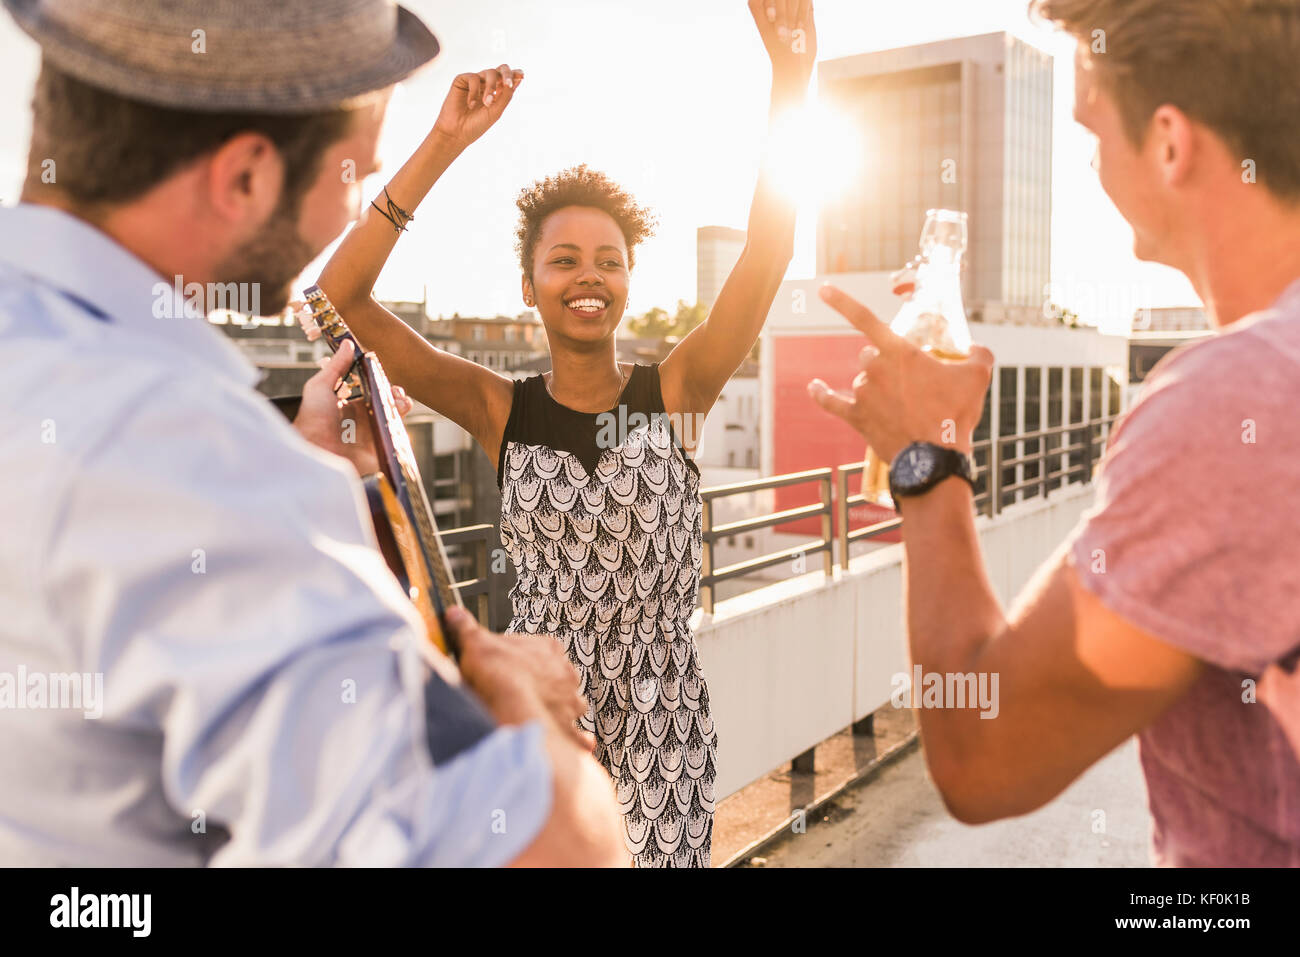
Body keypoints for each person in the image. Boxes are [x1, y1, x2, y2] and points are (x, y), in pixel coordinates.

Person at [0, 0, 625, 867]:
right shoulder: (180, 453)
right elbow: (554, 852)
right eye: (354, 178)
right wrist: (521, 701)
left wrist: (296, 475)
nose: (351, 209)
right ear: (248, 177)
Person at [312, 0, 818, 866]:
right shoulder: (496, 407)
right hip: (548, 725)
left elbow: (767, 251)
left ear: (629, 280)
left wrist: (794, 79)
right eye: (565, 260)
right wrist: (445, 142)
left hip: (666, 736)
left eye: (610, 261)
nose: (590, 278)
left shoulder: (681, 387)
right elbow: (339, 300)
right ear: (528, 284)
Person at [809, 0, 1300, 866]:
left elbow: (983, 755)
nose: (1089, 161)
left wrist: (927, 454)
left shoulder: (1234, 402)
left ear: (1171, 142)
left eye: (1091, 129)